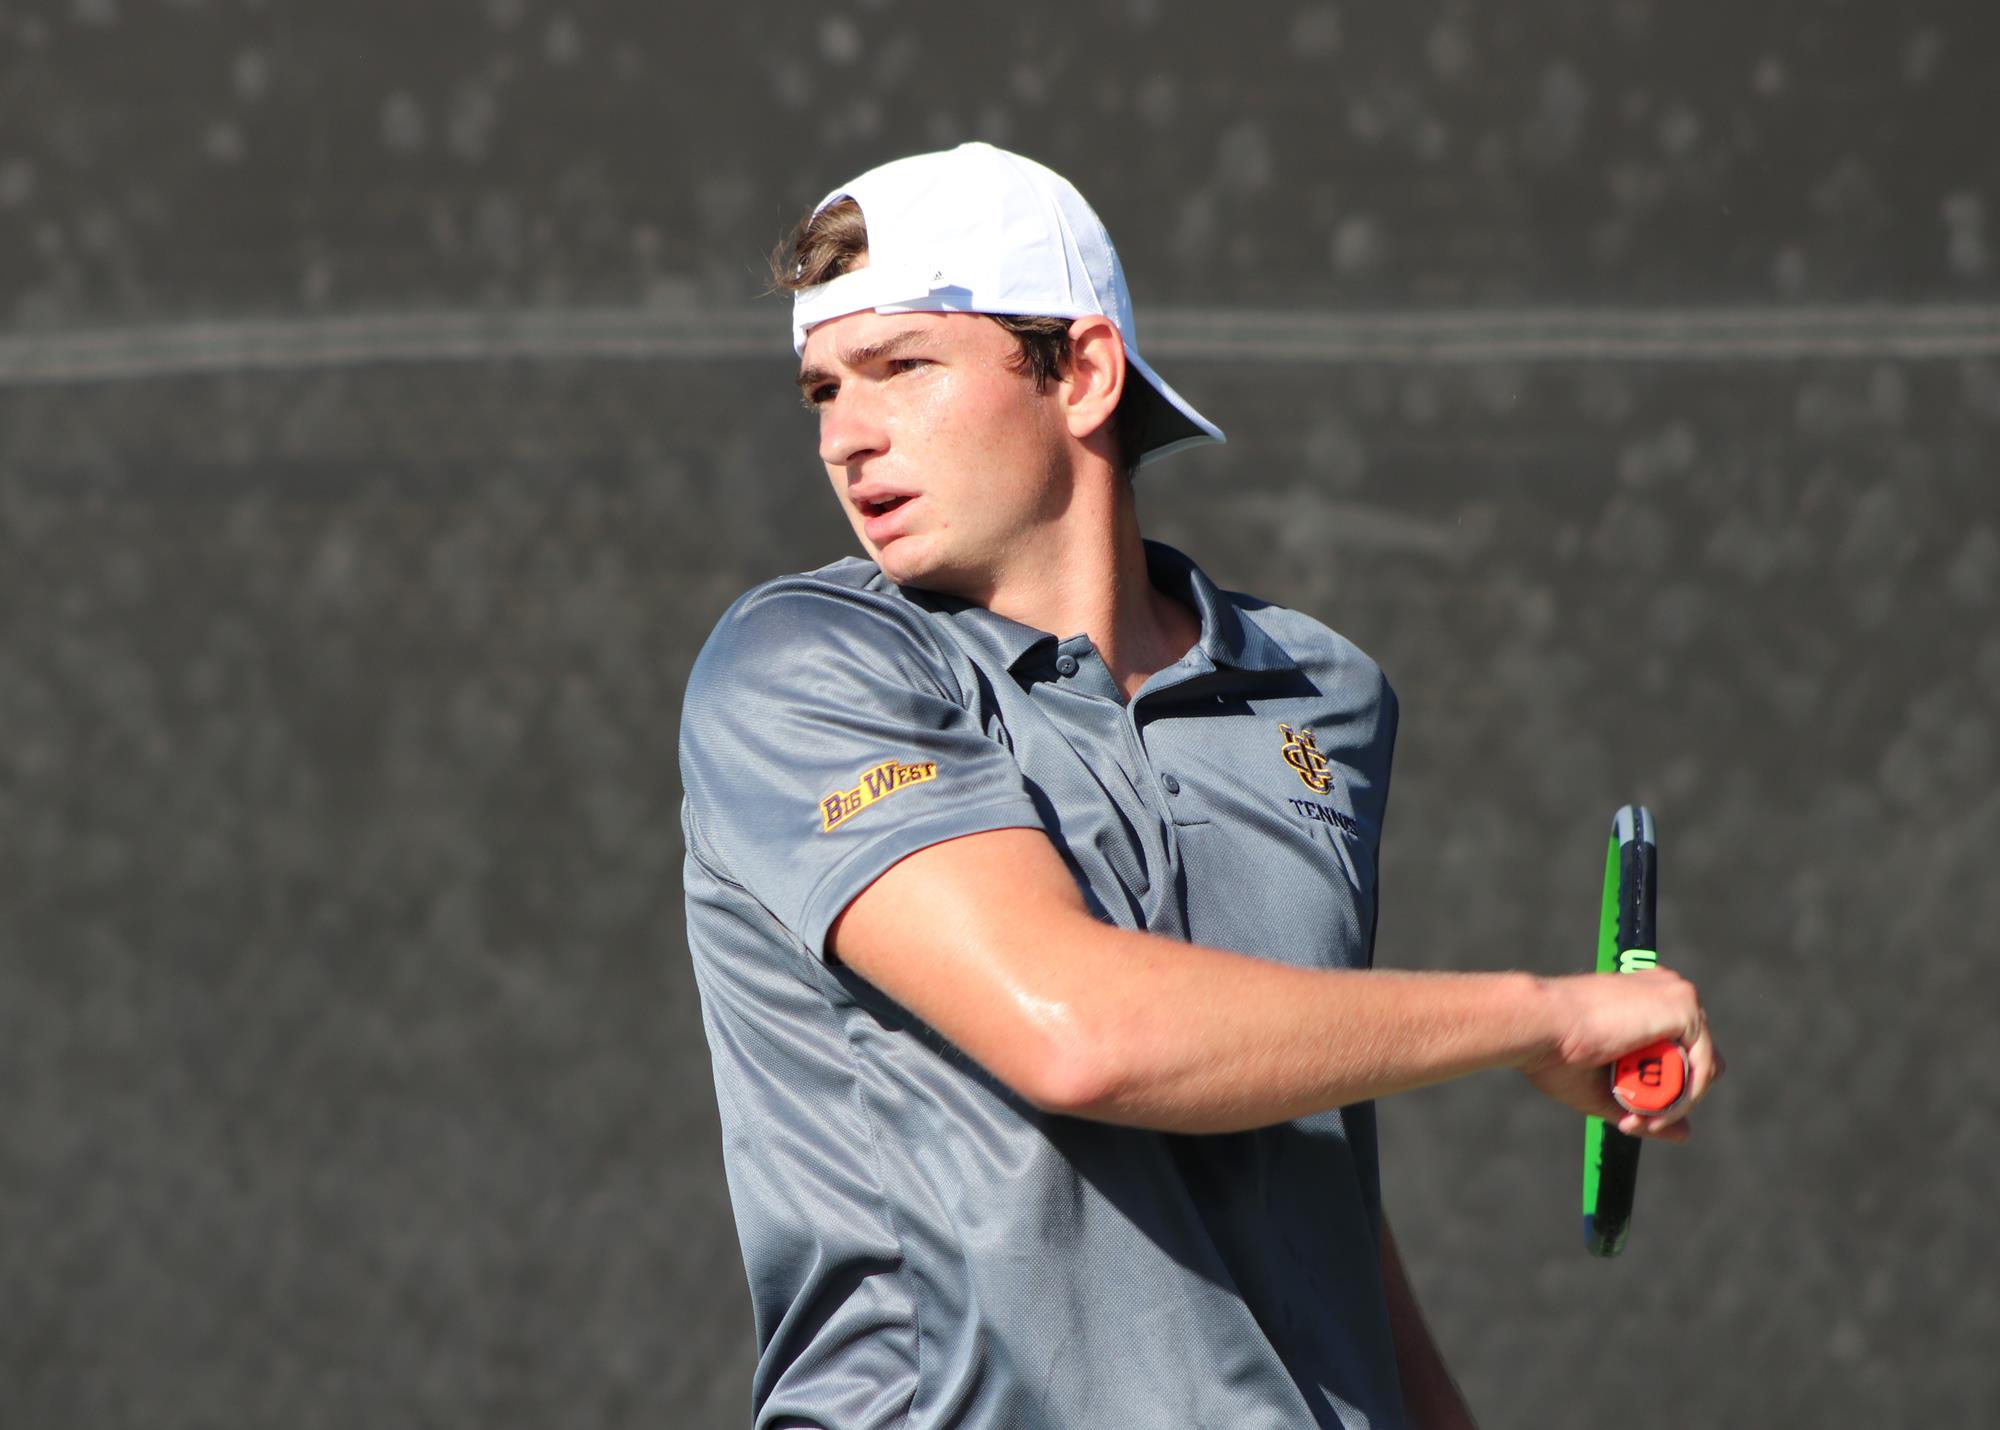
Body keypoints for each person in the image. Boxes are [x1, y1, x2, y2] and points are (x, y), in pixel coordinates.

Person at [679, 141, 1721, 1430]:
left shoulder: (1320, 696)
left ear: (1085, 374)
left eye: (902, 366)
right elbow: (1081, 1035)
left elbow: (1302, 1160)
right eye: (822, 389)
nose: (848, 435)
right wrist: (1538, 1018)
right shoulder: (806, 667)